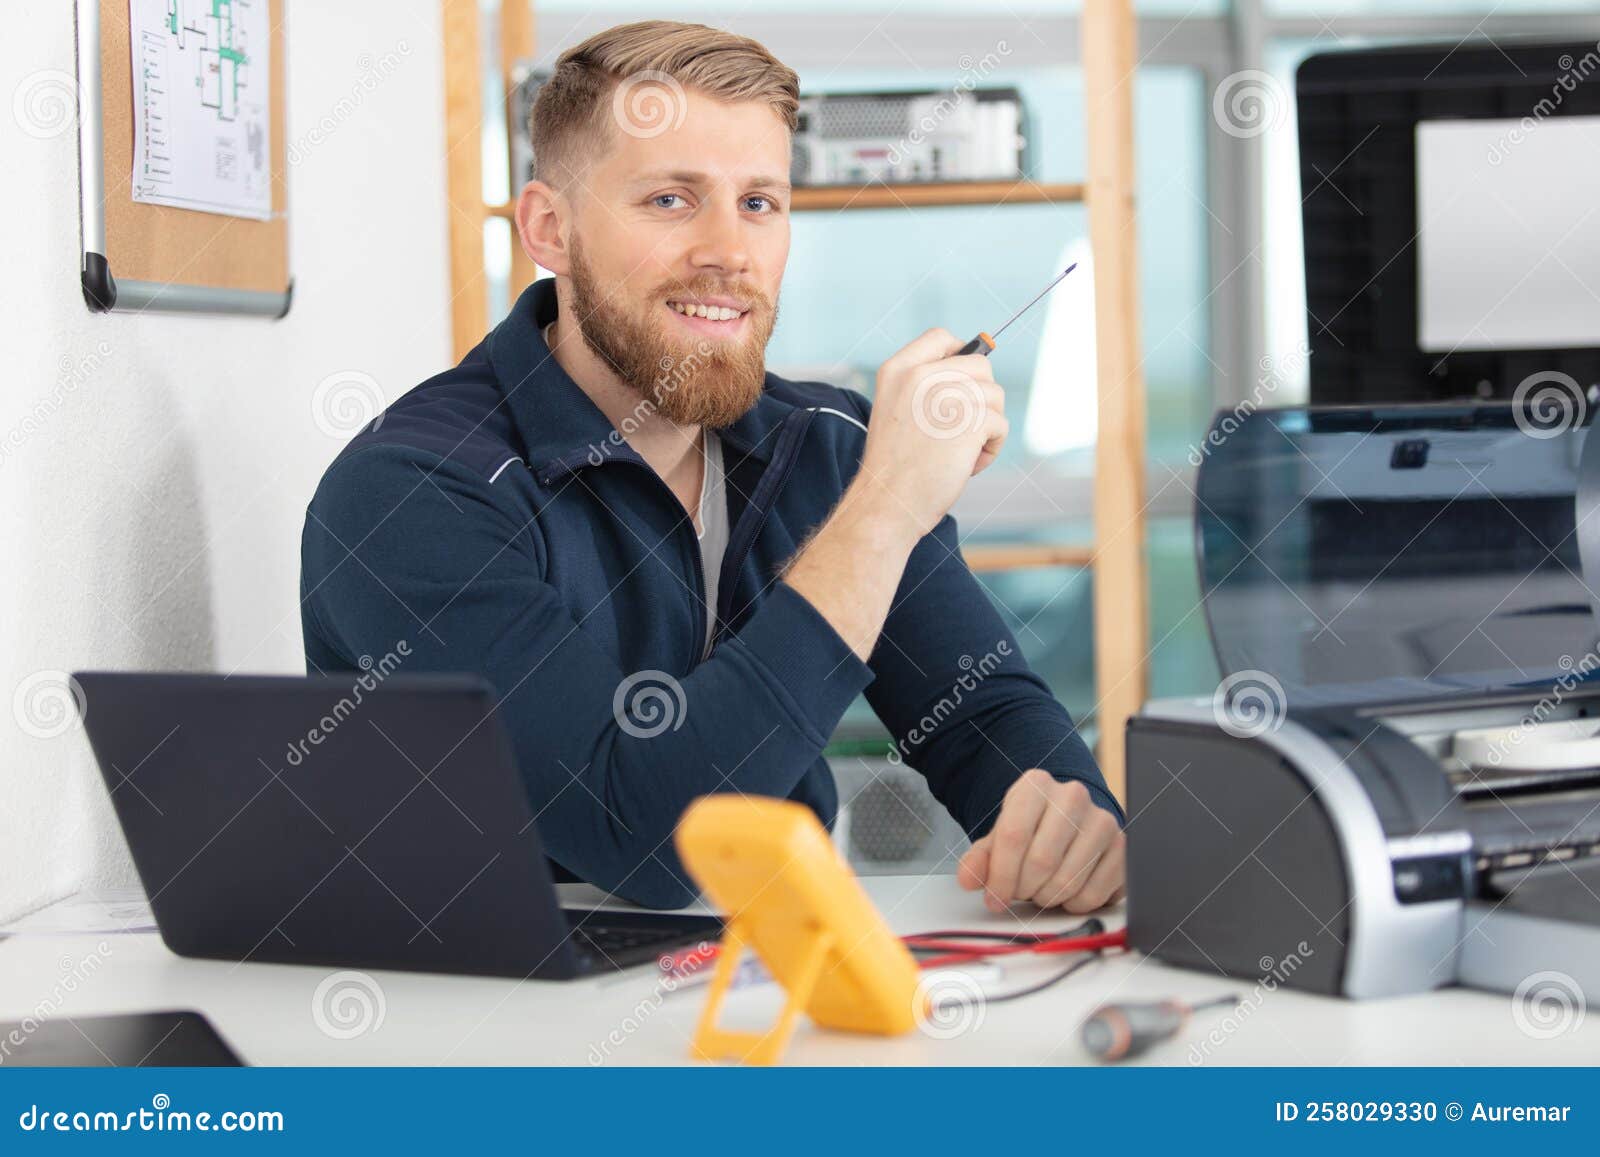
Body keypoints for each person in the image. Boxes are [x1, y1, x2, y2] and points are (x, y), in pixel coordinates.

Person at [300, 20, 1125, 913]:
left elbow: (985, 720)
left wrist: (1065, 828)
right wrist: (884, 508)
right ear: (549, 228)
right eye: (669, 200)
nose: (730, 253)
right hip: (493, 1014)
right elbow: (646, 840)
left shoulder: (832, 446)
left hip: (768, 977)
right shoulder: (413, 491)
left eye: (760, 204)